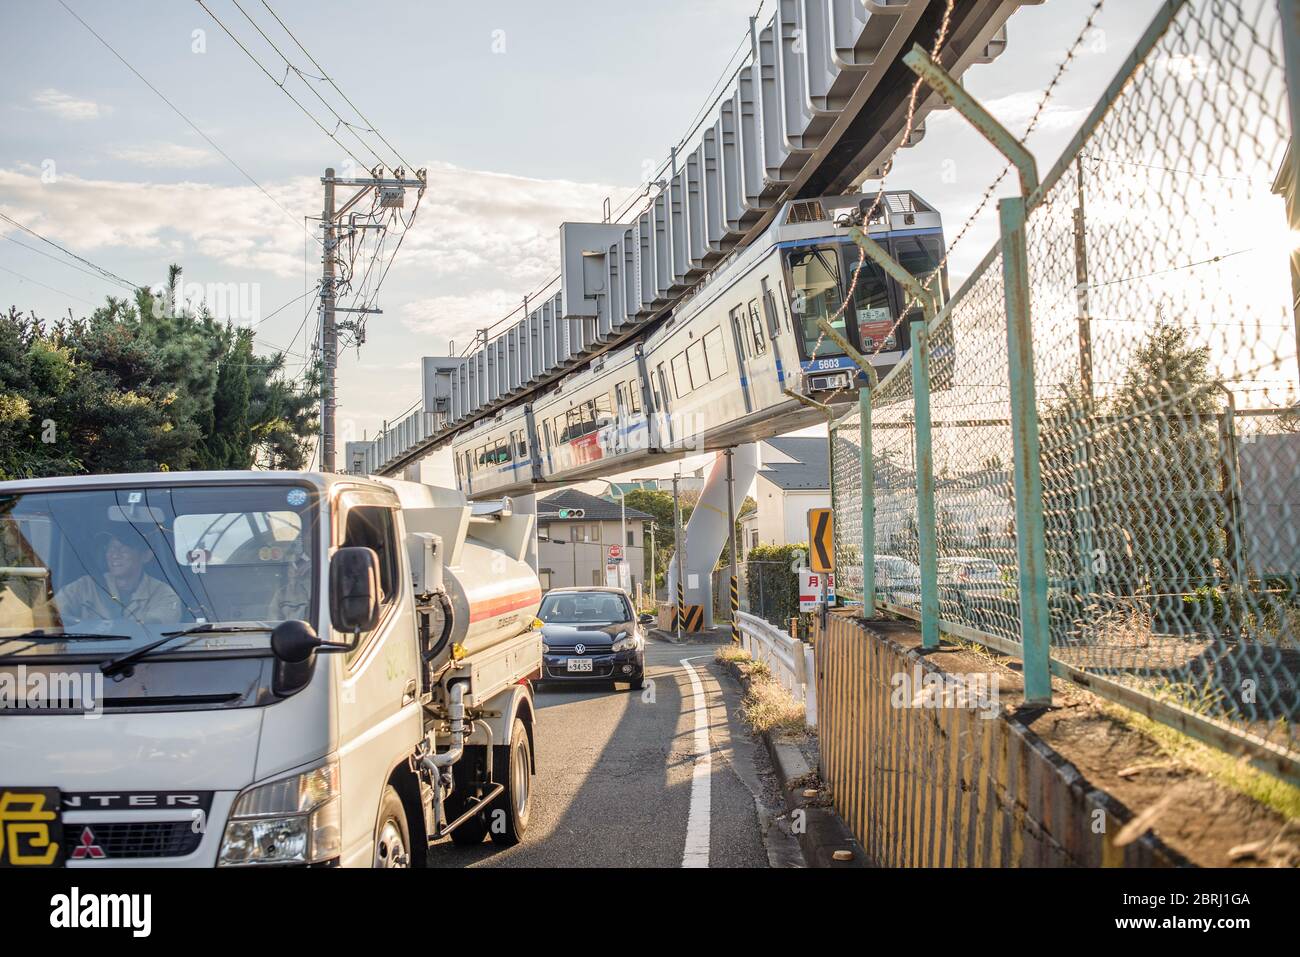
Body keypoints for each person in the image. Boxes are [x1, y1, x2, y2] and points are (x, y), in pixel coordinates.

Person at [54, 531, 183, 626]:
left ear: (146, 556)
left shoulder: (163, 593)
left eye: (124, 549)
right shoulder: (85, 586)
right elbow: (46, 615)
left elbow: (158, 625)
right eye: (111, 548)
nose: (114, 555)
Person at [267, 540, 312, 621]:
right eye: (291, 566)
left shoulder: (320, 587)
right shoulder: (282, 594)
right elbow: (273, 622)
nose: (294, 569)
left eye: (299, 563)